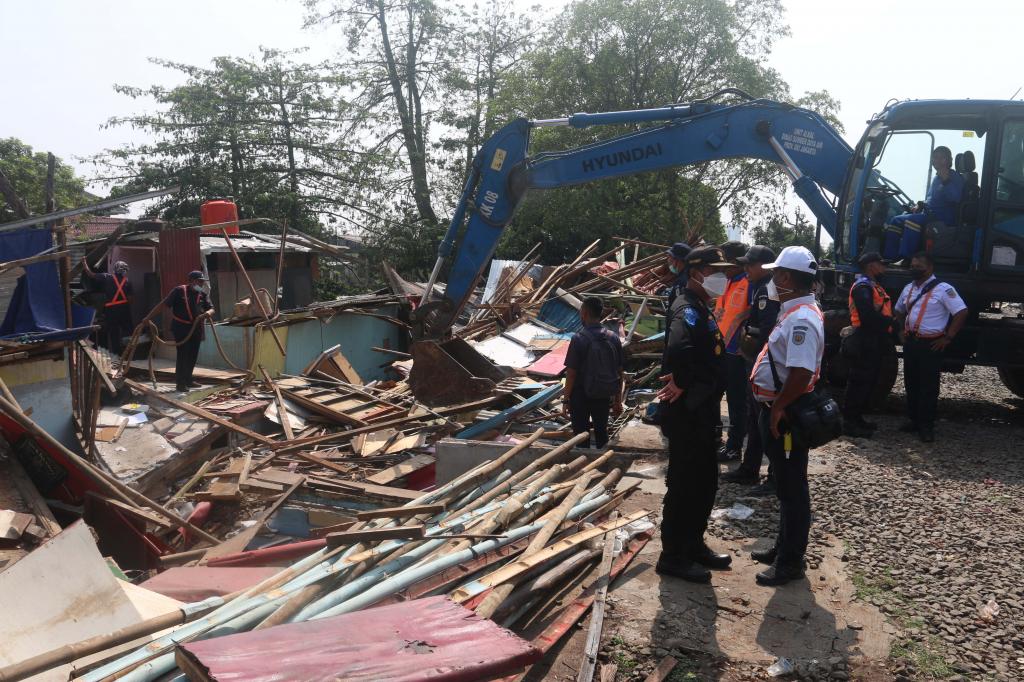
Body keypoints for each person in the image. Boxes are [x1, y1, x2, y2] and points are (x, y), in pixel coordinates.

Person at [655, 246, 732, 583]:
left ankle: (693, 544)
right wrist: (684, 381)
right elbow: (679, 348)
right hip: (687, 414)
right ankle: (672, 555)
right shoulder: (686, 308)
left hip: (702, 411)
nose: (722, 277)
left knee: (705, 482)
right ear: (696, 272)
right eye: (716, 270)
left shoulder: (701, 305)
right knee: (685, 484)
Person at [749, 246, 824, 586]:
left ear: (786, 277)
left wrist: (778, 406)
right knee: (785, 484)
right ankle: (783, 548)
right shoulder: (793, 311)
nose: (772, 279)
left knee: (793, 489)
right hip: (778, 409)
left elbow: (801, 372)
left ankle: (790, 562)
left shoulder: (802, 319)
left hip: (787, 413)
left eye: (776, 273)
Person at [894, 251, 968, 443]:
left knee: (928, 386)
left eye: (918, 266)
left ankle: (926, 426)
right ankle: (914, 421)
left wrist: (948, 337)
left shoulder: (944, 289)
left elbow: (961, 312)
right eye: (912, 266)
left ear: (930, 268)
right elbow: (898, 311)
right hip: (911, 343)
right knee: (911, 383)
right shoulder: (908, 288)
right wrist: (901, 330)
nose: (914, 269)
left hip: (931, 345)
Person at [723, 245, 778, 488]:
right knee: (756, 420)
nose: (745, 269)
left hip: (762, 364)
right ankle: (749, 469)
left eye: (749, 265)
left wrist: (748, 339)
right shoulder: (761, 287)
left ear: (764, 266)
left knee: (766, 420)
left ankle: (774, 476)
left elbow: (766, 332)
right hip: (754, 362)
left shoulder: (768, 291)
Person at [842, 252, 894, 438]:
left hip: (873, 338)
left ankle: (857, 418)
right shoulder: (863, 286)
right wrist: (891, 323)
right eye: (882, 264)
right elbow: (867, 316)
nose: (884, 268)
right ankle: (849, 422)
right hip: (864, 338)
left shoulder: (873, 285)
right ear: (872, 266)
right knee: (859, 380)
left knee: (868, 380)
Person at [562, 296, 624, 449]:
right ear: (601, 314)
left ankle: (583, 467)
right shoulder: (613, 338)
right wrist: (618, 400)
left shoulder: (578, 339)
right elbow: (620, 372)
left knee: (581, 436)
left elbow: (571, 374)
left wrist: (565, 400)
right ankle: (604, 467)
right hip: (603, 394)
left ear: (584, 313)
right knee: (602, 433)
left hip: (580, 396)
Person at [715, 241, 751, 462]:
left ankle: (734, 446)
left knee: (738, 403)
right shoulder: (726, 282)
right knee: (718, 397)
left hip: (737, 354)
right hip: (721, 351)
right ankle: (718, 438)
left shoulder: (750, 284)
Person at [888, 146, 965, 235]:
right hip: (929, 214)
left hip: (941, 217)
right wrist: (921, 204)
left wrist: (946, 181)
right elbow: (932, 199)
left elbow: (956, 198)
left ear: (949, 160)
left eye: (942, 158)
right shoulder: (937, 178)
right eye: (935, 157)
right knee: (896, 221)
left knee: (909, 221)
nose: (938, 161)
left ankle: (907, 249)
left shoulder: (954, 176)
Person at [163, 271, 215, 393]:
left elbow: (212, 308)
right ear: (192, 281)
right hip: (181, 327)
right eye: (199, 281)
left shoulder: (201, 294)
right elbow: (165, 305)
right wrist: (148, 319)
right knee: (183, 354)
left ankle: (188, 379)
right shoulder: (179, 291)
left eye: (202, 281)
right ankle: (180, 383)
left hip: (196, 327)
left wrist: (208, 313)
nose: (201, 283)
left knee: (193, 354)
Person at [82, 258, 133, 355]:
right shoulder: (127, 282)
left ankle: (117, 354)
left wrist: (84, 263)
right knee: (128, 331)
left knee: (114, 333)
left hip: (111, 310)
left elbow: (91, 275)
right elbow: (131, 300)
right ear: (124, 271)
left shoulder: (107, 277)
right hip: (124, 309)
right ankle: (129, 353)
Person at [664, 242, 692, 309]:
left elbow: (678, 307)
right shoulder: (688, 276)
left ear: (677, 260)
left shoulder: (682, 281)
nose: (668, 260)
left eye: (670, 257)